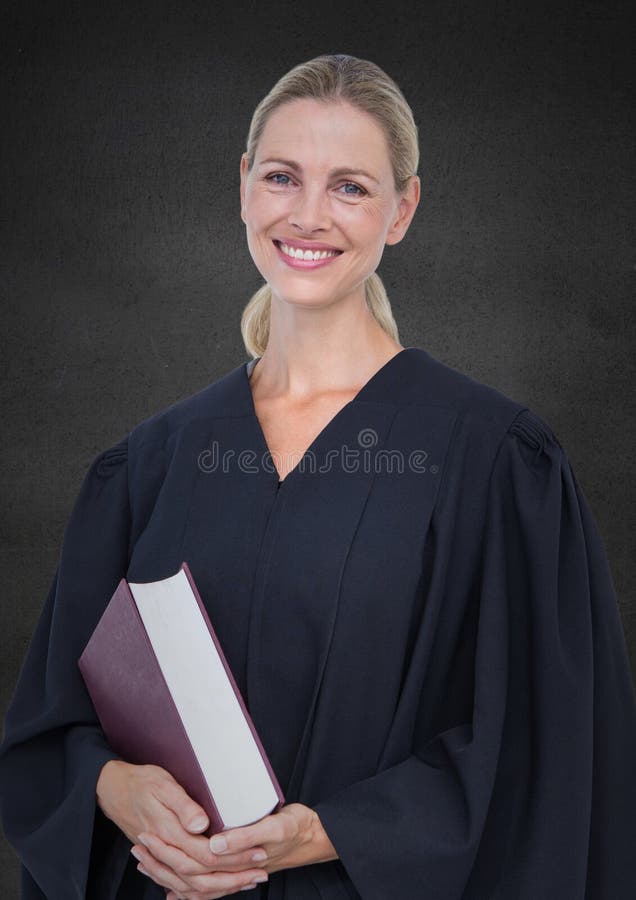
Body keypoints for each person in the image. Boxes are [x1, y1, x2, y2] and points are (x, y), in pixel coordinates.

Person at [1, 52, 635, 900]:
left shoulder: (494, 460)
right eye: (282, 177)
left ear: (402, 210)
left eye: (350, 187)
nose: (307, 216)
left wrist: (328, 834)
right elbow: (52, 727)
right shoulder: (150, 463)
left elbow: (543, 749)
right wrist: (115, 789)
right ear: (242, 188)